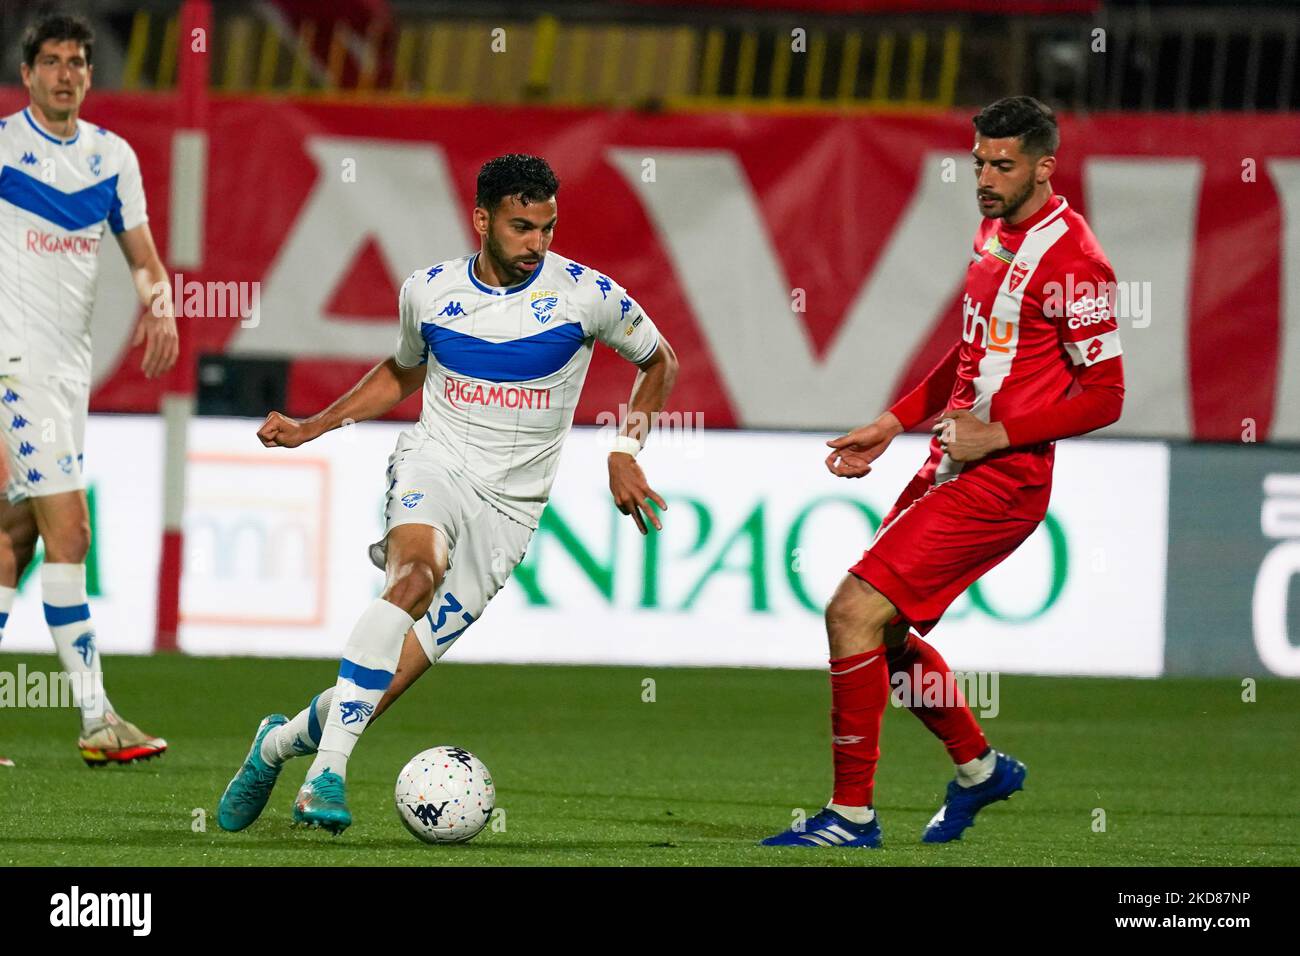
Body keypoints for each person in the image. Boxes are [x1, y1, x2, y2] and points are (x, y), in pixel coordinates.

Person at [218, 153, 678, 834]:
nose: (537, 243)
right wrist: (315, 425)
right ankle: (325, 777)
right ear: (482, 220)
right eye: (522, 228)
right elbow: (403, 371)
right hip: (434, 465)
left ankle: (275, 745)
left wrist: (625, 449)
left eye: (548, 228)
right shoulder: (428, 292)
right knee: (414, 578)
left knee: (380, 686)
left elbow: (659, 360)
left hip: (510, 513)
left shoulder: (587, 296)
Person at [763, 96, 1125, 848]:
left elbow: (1106, 395)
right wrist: (893, 422)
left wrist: (999, 435)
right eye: (979, 162)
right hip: (950, 464)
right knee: (885, 635)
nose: (985, 178)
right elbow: (974, 351)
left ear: (1045, 167)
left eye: (1004, 165)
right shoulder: (994, 231)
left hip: (1003, 482)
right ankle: (979, 769)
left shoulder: (1076, 262)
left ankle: (851, 817)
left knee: (851, 612)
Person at [0, 13, 178, 766]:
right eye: (51, 61)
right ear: (27, 74)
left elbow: (143, 256)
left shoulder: (113, 157)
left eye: (77, 62)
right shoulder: (4, 146)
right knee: (72, 533)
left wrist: (160, 304)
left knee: (14, 540)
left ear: (89, 76)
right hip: (15, 366)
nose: (65, 73)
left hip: (67, 373)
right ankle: (98, 720)